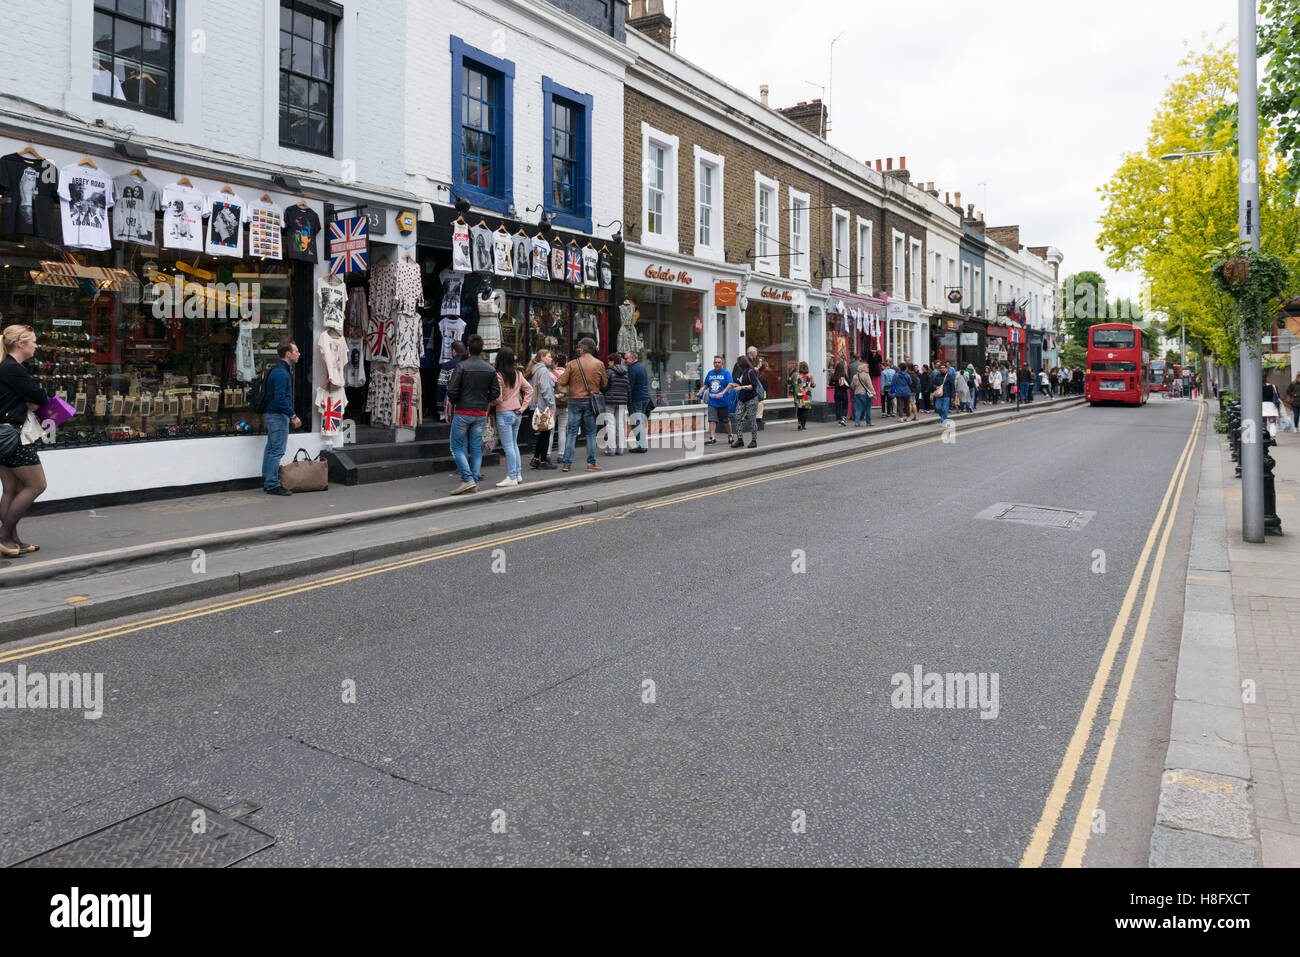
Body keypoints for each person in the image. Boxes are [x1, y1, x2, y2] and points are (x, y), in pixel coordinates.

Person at [0, 324, 49, 556]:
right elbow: (38, 395)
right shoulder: (13, 369)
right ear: (20, 344)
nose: (36, 345)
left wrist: (26, 400)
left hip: (3, 436)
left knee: (11, 488)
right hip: (13, 437)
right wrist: (32, 399)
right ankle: (3, 535)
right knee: (37, 484)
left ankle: (13, 539)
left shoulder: (6, 367)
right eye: (33, 341)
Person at [446, 334, 500, 494]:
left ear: (468, 349)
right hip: (480, 412)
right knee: (476, 447)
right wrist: (485, 400)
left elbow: (452, 390)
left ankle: (468, 479)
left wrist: (457, 401)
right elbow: (496, 392)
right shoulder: (490, 369)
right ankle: (474, 481)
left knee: (456, 446)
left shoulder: (461, 367)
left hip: (463, 411)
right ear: (482, 349)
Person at [557, 337, 607, 472]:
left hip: (574, 400)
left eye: (579, 348)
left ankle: (567, 464)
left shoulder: (572, 364)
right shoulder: (599, 364)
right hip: (591, 402)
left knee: (572, 433)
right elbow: (604, 384)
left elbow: (562, 382)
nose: (579, 350)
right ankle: (591, 463)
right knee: (591, 434)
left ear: (583, 349)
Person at [262, 341, 302, 496]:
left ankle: (267, 479)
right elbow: (280, 398)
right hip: (278, 416)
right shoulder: (281, 373)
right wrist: (293, 416)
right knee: (277, 450)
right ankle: (272, 484)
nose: (299, 354)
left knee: (271, 449)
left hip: (273, 415)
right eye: (296, 351)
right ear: (288, 354)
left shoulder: (279, 370)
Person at [491, 347, 533, 487]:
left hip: (504, 413)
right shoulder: (518, 373)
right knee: (514, 445)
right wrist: (523, 407)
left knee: (508, 446)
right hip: (517, 413)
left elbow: (498, 398)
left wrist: (490, 403)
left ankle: (512, 477)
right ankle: (518, 474)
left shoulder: (499, 375)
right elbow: (529, 390)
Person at [525, 349, 557, 470]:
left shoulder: (533, 369)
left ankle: (536, 459)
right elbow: (545, 390)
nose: (551, 359)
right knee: (546, 433)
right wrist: (552, 405)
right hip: (543, 407)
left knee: (541, 433)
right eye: (549, 357)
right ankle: (543, 461)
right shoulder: (543, 370)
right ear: (542, 357)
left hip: (534, 405)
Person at [697, 355, 736, 446]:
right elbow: (706, 384)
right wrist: (701, 390)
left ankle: (730, 435)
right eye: (715, 362)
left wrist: (722, 393)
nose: (717, 364)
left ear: (722, 363)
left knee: (725, 420)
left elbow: (730, 385)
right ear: (713, 363)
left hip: (723, 401)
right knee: (712, 419)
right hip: (712, 401)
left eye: (719, 362)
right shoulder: (710, 373)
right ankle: (712, 438)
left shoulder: (726, 373)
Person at [602, 352, 630, 455]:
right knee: (620, 425)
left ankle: (611, 450)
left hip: (610, 401)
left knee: (610, 425)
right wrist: (628, 402)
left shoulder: (609, 372)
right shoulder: (625, 372)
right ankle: (621, 449)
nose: (608, 363)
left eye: (609, 361)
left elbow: (604, 387)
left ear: (613, 361)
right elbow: (628, 389)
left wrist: (601, 390)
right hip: (622, 401)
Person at [732, 355, 762, 448]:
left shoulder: (750, 372)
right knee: (737, 417)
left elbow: (753, 386)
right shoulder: (742, 373)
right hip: (742, 398)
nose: (738, 366)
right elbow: (742, 383)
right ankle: (740, 439)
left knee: (752, 419)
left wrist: (741, 387)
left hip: (751, 398)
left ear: (743, 364)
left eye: (739, 364)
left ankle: (754, 440)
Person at [626, 350, 651, 453]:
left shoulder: (632, 369)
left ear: (632, 358)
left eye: (626, 358)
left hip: (636, 398)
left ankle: (642, 446)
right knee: (640, 422)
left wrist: (627, 400)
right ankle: (642, 444)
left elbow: (629, 386)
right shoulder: (642, 367)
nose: (625, 360)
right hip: (645, 397)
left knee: (636, 423)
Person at [436, 339, 466, 423]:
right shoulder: (472, 365)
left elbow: (441, 387)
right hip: (472, 406)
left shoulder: (447, 366)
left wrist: (440, 407)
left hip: (454, 405)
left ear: (453, 351)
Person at [793, 361, 816, 430]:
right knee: (805, 410)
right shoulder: (809, 376)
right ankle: (803, 425)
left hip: (799, 394)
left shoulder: (797, 375)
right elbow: (813, 385)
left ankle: (799, 423)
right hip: (807, 395)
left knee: (799, 409)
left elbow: (795, 384)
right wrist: (810, 385)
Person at [852, 361, 875, 425]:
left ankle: (857, 422)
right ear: (863, 368)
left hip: (857, 394)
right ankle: (868, 422)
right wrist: (873, 393)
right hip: (865, 394)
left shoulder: (855, 376)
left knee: (859, 408)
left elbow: (852, 386)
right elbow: (870, 385)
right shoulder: (866, 375)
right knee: (867, 408)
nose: (868, 369)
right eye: (867, 367)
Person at [832, 360, 850, 426]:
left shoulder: (834, 375)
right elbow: (845, 384)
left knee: (838, 406)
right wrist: (847, 386)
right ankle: (843, 418)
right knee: (845, 406)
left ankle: (839, 420)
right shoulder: (843, 375)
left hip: (836, 393)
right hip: (843, 393)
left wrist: (835, 384)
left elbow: (831, 383)